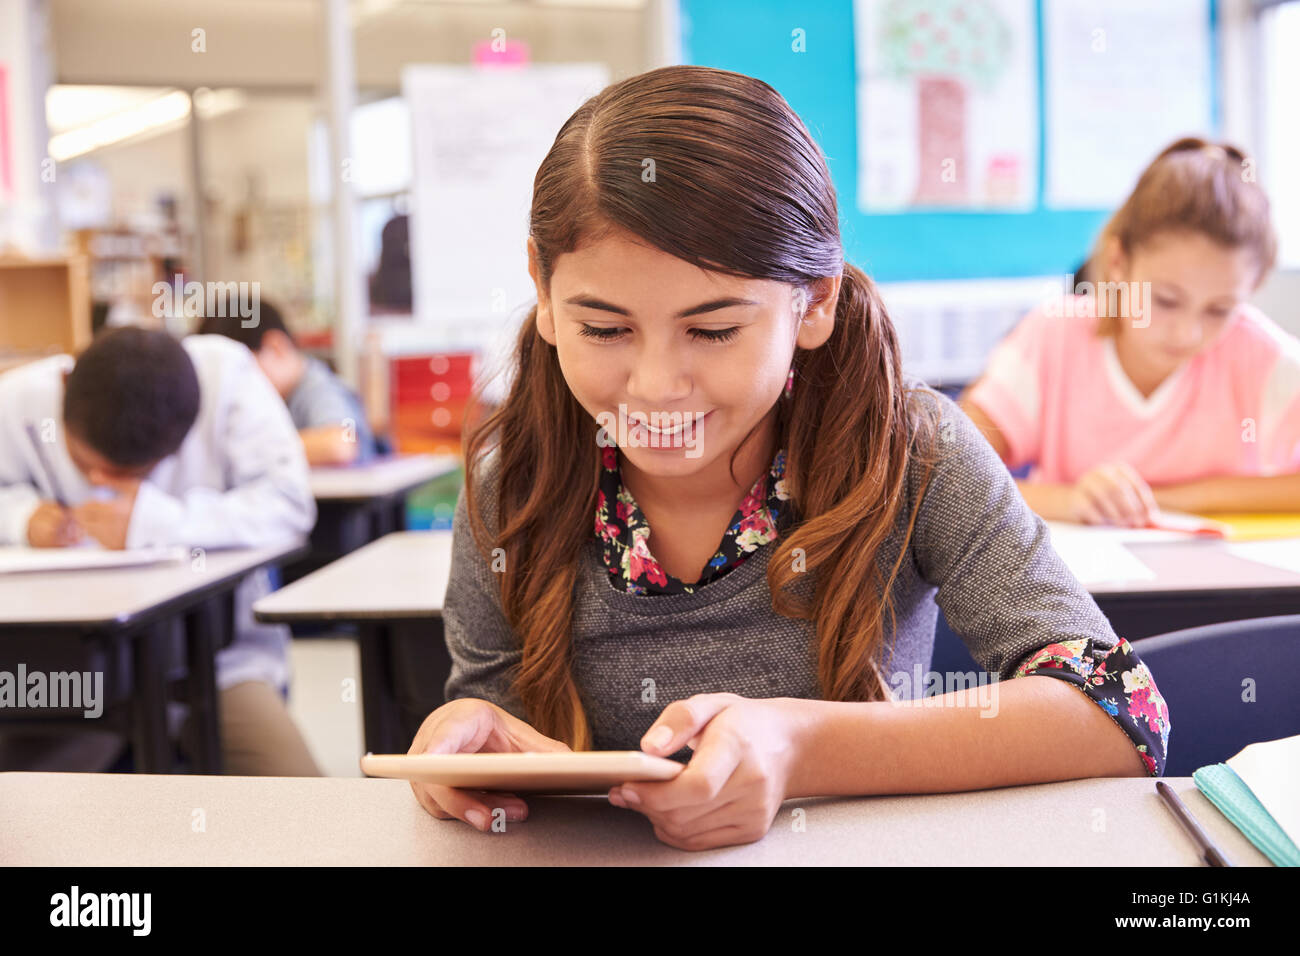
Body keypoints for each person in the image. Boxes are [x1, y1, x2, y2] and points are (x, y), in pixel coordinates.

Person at [402, 65, 1171, 852]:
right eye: (605, 329)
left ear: (815, 302)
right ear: (542, 286)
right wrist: (469, 736)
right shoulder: (513, 489)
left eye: (712, 331)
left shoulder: (909, 451)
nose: (657, 387)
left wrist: (797, 746)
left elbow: (1119, 711)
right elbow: (500, 736)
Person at [0, 326, 322, 775]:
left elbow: (289, 505)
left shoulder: (225, 377)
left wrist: (154, 522)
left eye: (133, 475)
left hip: (217, 662)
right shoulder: (16, 400)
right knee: (20, 816)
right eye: (89, 467)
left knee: (301, 804)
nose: (101, 486)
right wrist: (20, 518)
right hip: (67, 673)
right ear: (65, 384)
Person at [960, 137, 1300, 526]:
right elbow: (954, 479)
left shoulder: (1260, 356)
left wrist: (1177, 499)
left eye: (1220, 310)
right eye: (1166, 301)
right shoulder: (1053, 337)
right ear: (1119, 261)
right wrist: (1068, 501)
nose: (1188, 333)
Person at [198, 300, 378, 466]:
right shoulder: (275, 401)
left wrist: (246, 450)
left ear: (276, 347)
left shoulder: (320, 389)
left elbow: (341, 445)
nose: (234, 387)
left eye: (241, 372)